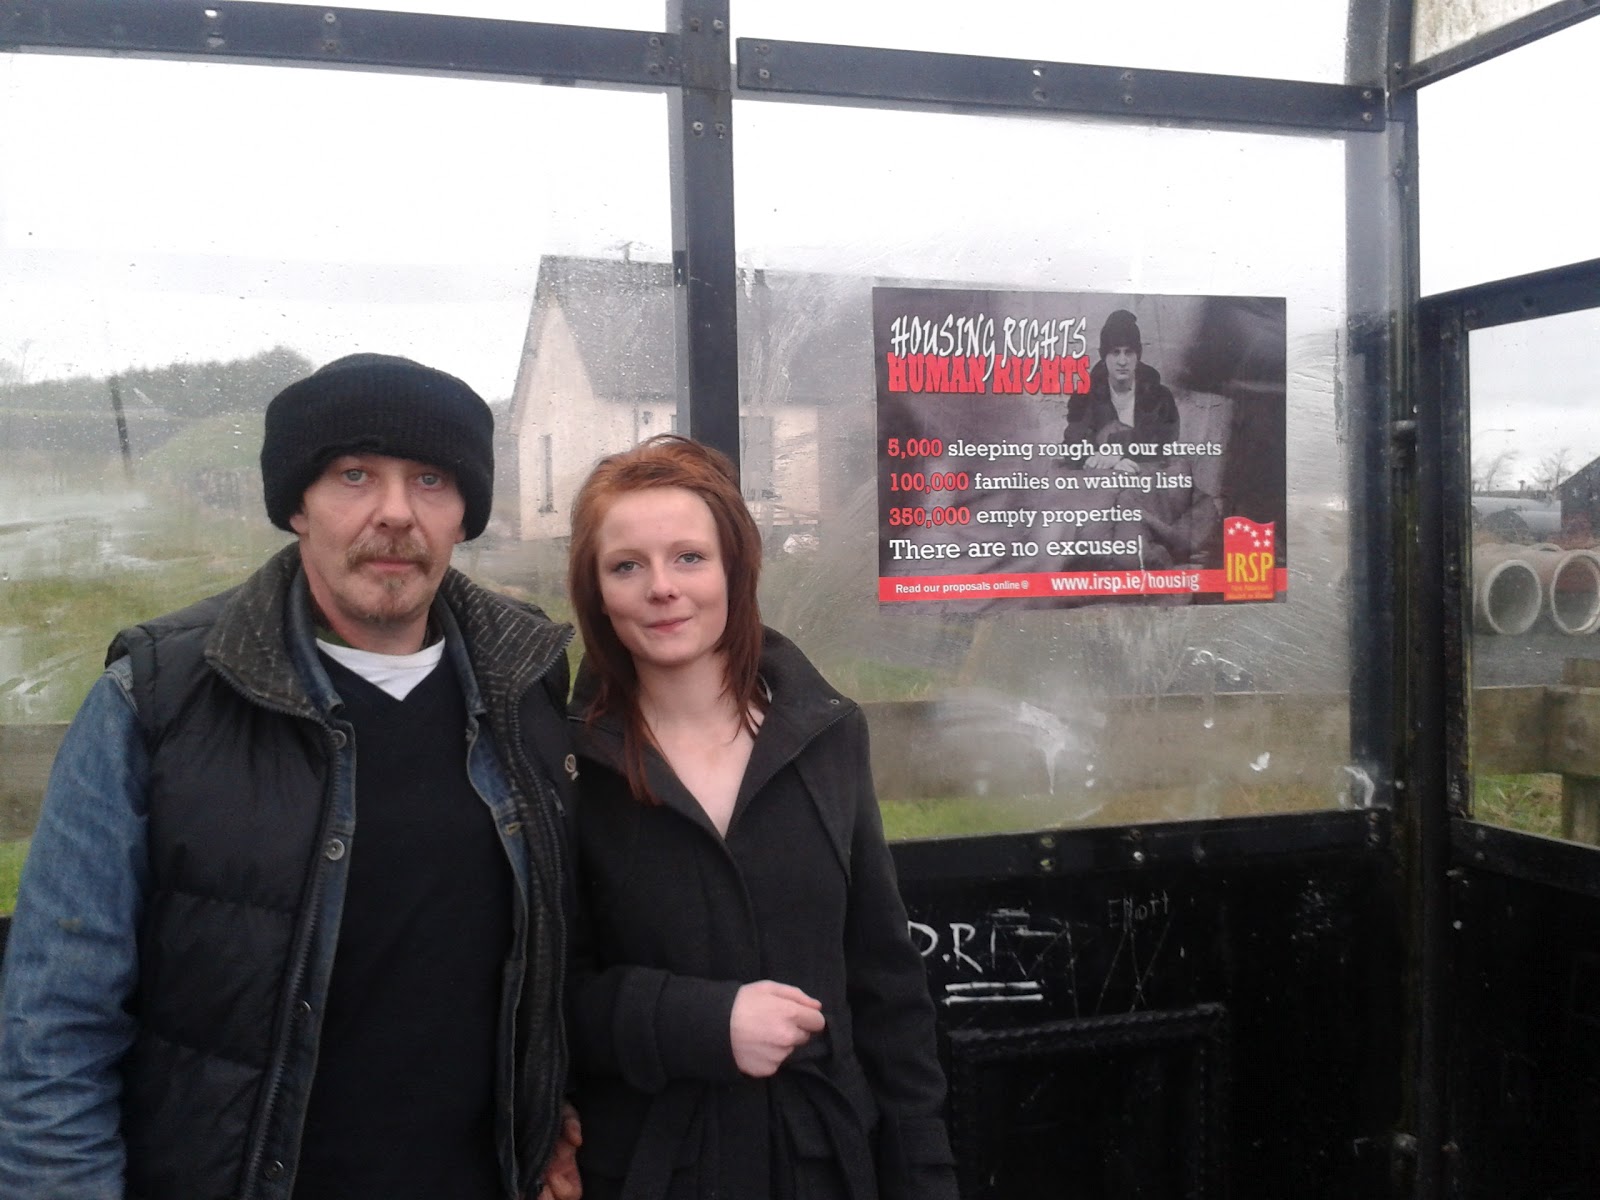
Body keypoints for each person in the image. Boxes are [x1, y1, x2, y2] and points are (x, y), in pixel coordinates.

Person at [0, 354, 582, 1200]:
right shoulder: (157, 702)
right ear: (296, 506)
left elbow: (554, 956)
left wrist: (548, 1108)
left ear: (465, 513)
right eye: (354, 475)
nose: (396, 512)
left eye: (430, 479)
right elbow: (54, 1026)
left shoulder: (525, 686)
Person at [563, 434, 957, 1200]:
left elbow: (885, 983)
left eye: (689, 557)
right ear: (596, 591)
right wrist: (701, 1022)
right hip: (654, 1172)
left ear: (734, 568)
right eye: (627, 566)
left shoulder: (825, 736)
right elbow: (541, 1000)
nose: (662, 588)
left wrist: (925, 1176)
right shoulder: (567, 762)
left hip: (823, 1164)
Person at [1060, 307, 1179, 469]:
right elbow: (1071, 446)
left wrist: (1120, 455)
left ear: (1138, 355)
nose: (1122, 361)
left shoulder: (1160, 397)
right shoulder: (1085, 396)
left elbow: (1165, 446)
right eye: (1115, 352)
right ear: (1104, 356)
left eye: (1128, 352)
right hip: (1100, 481)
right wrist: (1105, 461)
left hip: (1146, 478)